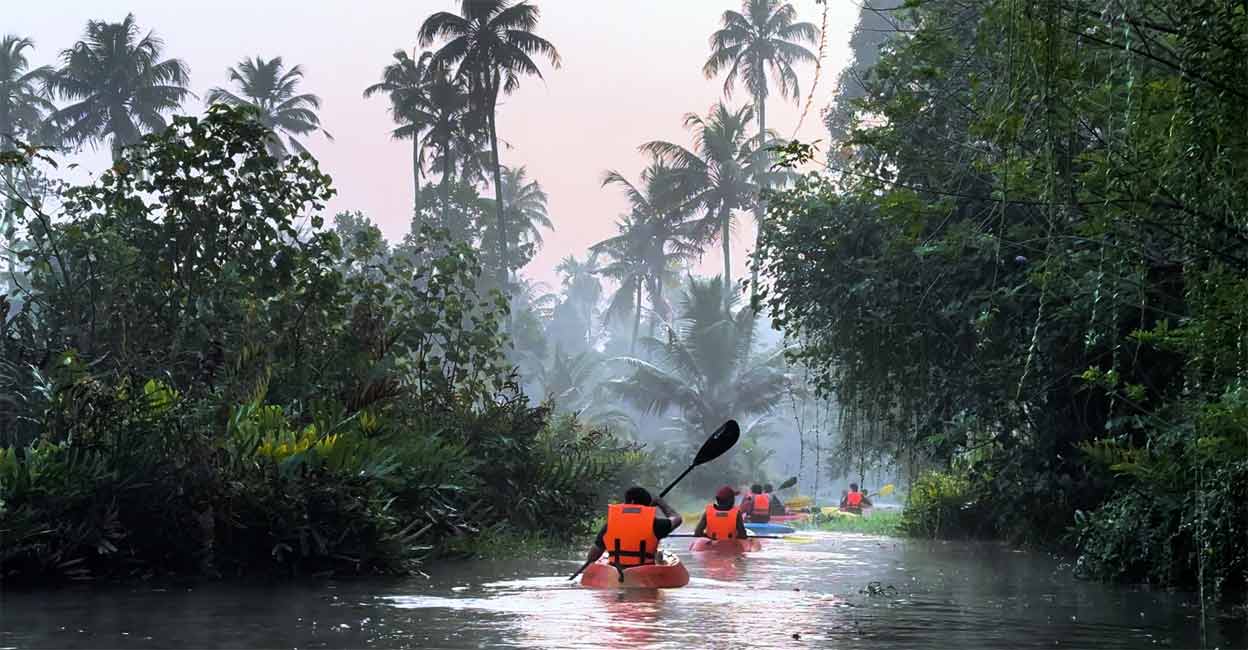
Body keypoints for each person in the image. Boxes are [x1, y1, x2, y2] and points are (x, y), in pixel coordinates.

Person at [584, 486, 682, 568]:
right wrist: (661, 503)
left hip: (616, 569)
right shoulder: (655, 524)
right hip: (645, 571)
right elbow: (677, 519)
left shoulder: (611, 524)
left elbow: (592, 557)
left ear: (629, 502)